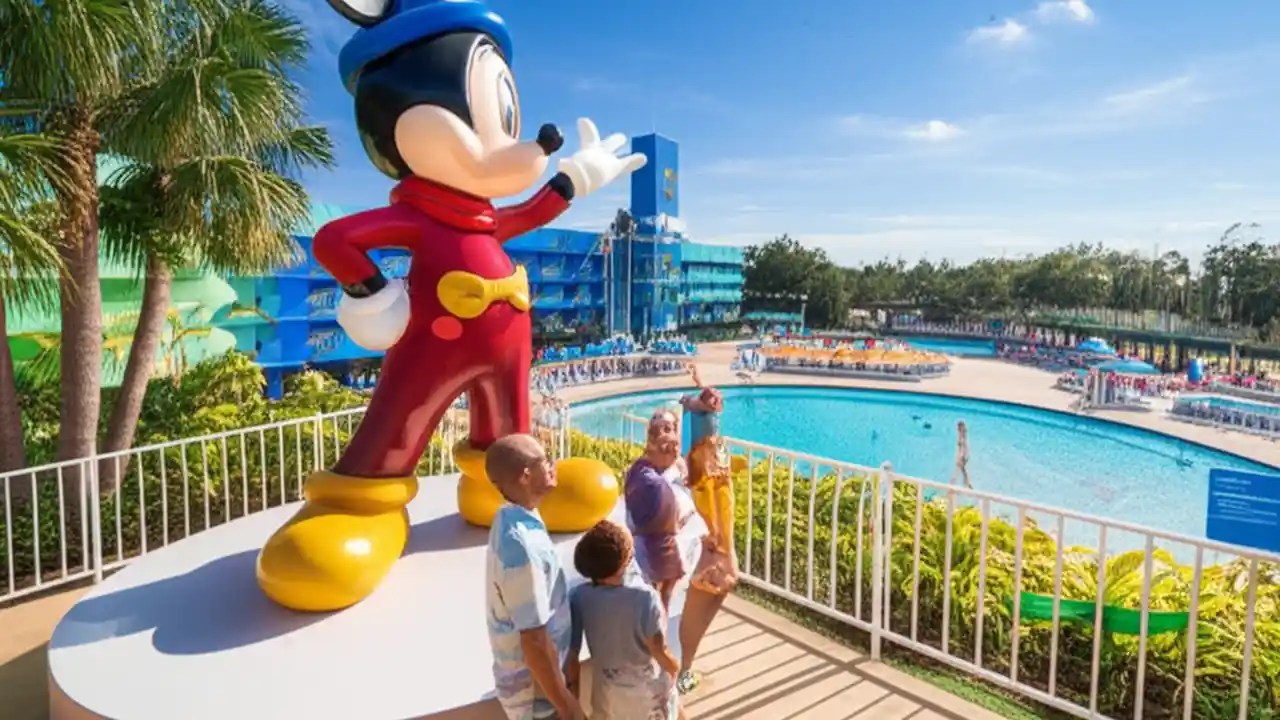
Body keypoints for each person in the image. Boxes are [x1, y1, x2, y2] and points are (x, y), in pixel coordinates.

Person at [483, 435, 585, 720]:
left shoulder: (516, 516)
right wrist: (567, 705)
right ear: (526, 475)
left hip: (544, 687)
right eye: (545, 459)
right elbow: (534, 640)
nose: (553, 465)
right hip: (538, 698)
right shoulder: (520, 546)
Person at [566, 521, 683, 720]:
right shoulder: (645, 597)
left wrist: (573, 700)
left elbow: (572, 655)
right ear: (624, 562)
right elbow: (658, 648)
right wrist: (675, 667)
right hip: (646, 694)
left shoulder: (579, 596)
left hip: (607, 691)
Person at [674, 366, 738, 695]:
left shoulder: (701, 462)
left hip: (709, 545)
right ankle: (682, 668)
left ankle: (682, 666)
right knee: (715, 583)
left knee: (714, 583)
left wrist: (699, 387)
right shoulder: (704, 463)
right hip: (710, 550)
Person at [625, 410, 703, 610]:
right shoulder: (645, 474)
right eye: (661, 429)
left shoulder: (677, 465)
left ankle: (660, 621)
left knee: (667, 590)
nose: (668, 435)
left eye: (671, 428)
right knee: (653, 589)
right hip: (656, 538)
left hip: (678, 536)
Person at [953, 421, 972, 489]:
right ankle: (967, 484)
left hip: (963, 455)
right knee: (963, 470)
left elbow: (962, 446)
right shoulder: (963, 435)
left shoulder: (961, 436)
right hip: (964, 454)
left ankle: (953, 485)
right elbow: (964, 446)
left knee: (959, 470)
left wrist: (961, 456)